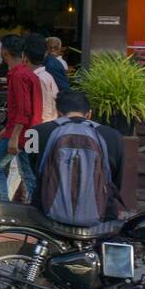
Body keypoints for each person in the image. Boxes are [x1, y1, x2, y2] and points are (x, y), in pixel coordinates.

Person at [25, 90, 125, 219]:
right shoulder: (115, 136)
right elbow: (116, 180)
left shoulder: (33, 133)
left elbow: (33, 170)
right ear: (89, 114)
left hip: (45, 212)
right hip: (101, 215)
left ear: (58, 113)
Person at [0, 34, 41, 202]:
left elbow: (24, 110)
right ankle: (35, 207)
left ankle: (4, 203)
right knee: (28, 173)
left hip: (20, 132)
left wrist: (14, 136)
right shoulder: (29, 73)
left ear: (4, 52)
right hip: (32, 131)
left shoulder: (18, 75)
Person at [25, 34, 59, 124]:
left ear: (24, 56)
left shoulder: (38, 77)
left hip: (42, 124)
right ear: (45, 53)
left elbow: (45, 107)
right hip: (49, 122)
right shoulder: (47, 75)